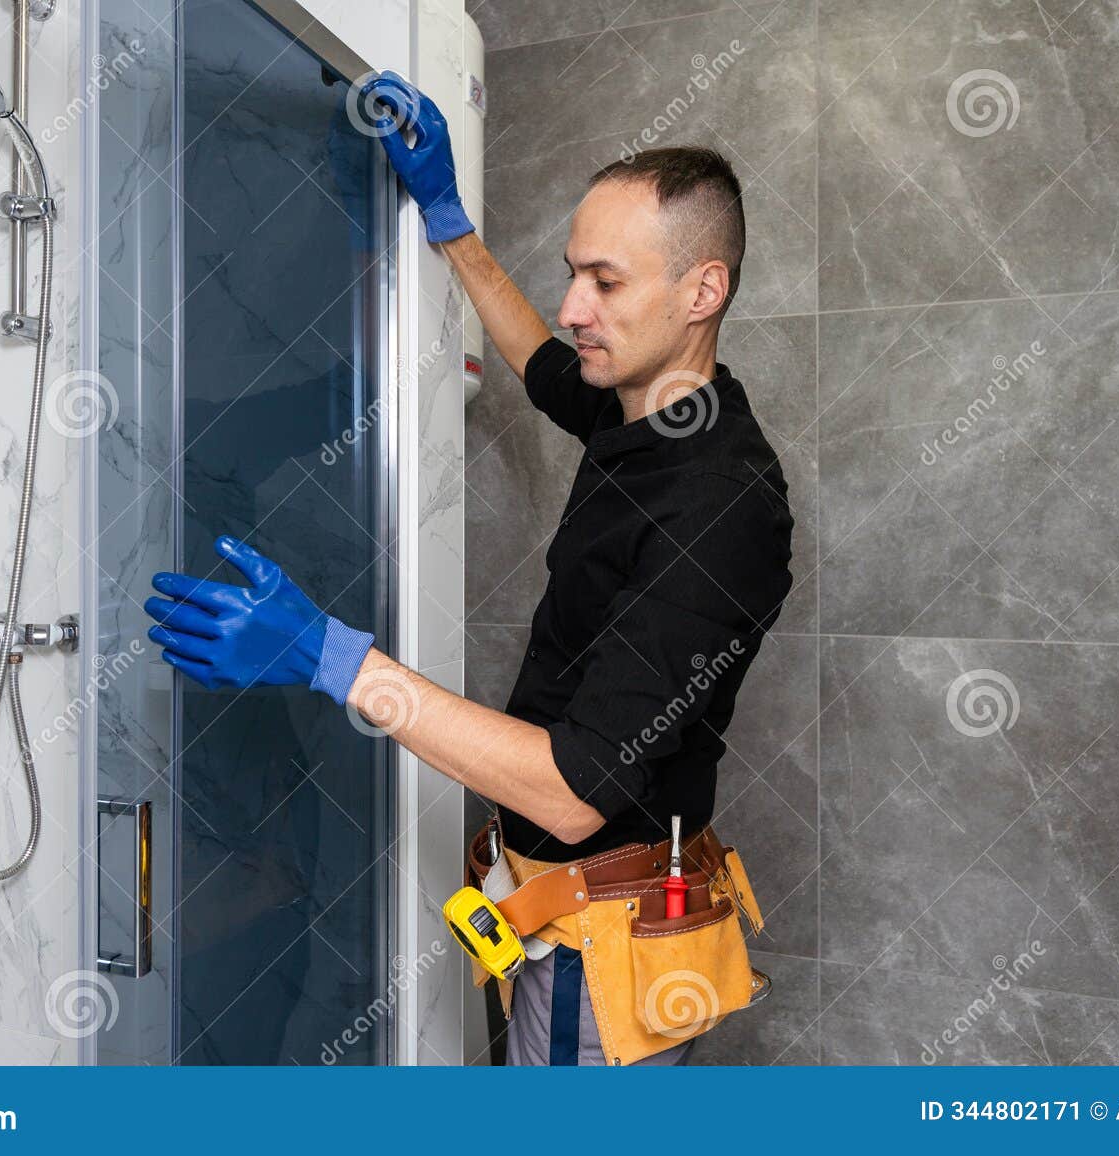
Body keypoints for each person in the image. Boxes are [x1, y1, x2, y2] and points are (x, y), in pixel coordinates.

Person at [143, 71, 794, 1066]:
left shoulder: (719, 502)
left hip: (606, 945)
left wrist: (331, 658)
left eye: (605, 283)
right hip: (556, 915)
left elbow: (577, 791)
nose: (573, 304)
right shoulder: (656, 406)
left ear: (701, 290)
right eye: (575, 272)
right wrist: (447, 221)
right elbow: (542, 366)